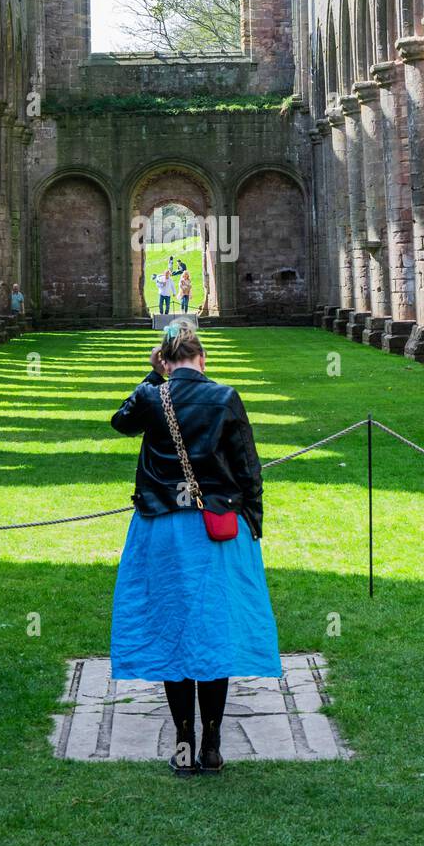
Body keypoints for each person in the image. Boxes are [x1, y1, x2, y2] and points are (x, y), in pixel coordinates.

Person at [109, 321, 282, 777]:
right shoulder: (225, 397)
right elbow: (248, 467)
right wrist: (254, 525)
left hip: (162, 528)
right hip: (218, 529)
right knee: (214, 631)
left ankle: (183, 743)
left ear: (166, 361)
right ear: (202, 359)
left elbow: (120, 422)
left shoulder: (152, 396)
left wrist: (150, 377)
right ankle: (212, 745)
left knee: (173, 630)